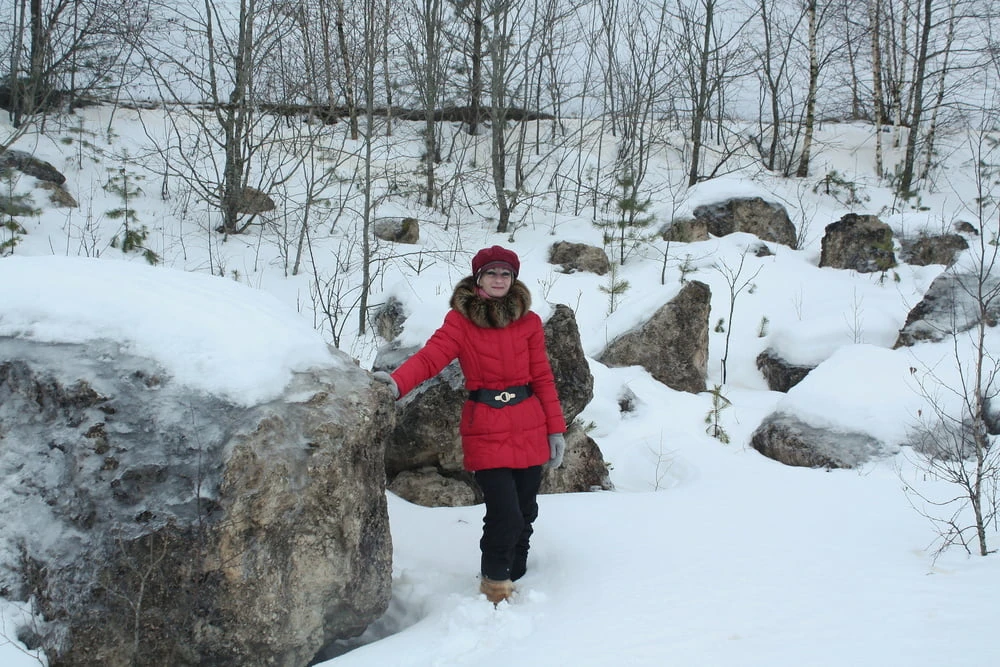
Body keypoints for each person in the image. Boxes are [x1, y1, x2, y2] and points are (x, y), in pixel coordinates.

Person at [374, 245, 567, 606]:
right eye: (492, 273)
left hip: (528, 423)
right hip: (486, 426)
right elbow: (431, 358)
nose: (499, 279)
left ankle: (517, 573)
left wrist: (555, 430)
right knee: (504, 513)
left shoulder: (529, 323)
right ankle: (495, 584)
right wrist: (398, 382)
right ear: (478, 278)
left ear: (514, 279)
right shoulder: (460, 322)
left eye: (505, 273)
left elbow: (543, 377)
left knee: (526, 511)